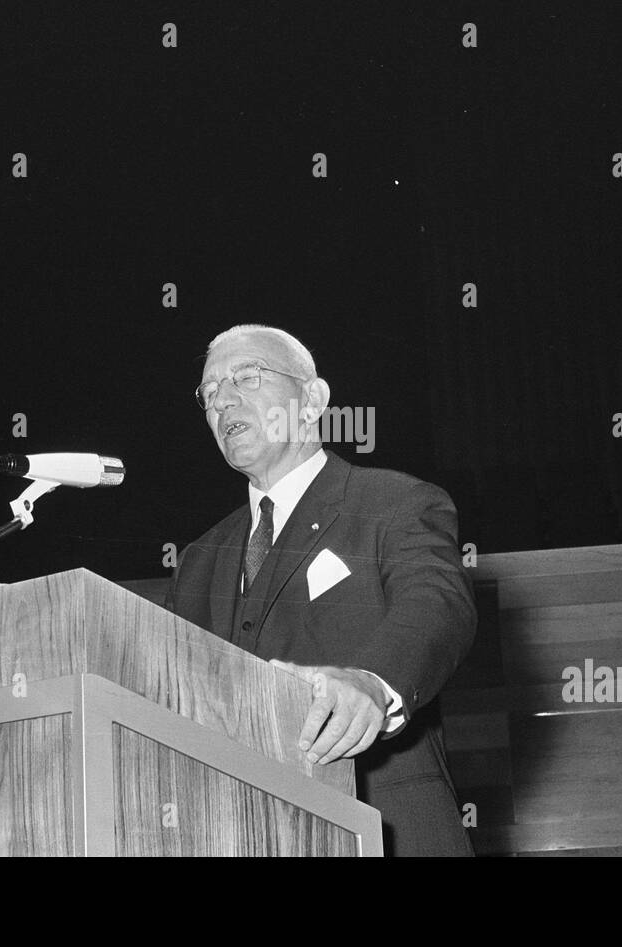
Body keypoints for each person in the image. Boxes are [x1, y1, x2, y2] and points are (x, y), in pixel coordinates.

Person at [165, 323, 476, 856]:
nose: (223, 400)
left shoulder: (393, 502)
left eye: (247, 375)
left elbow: (436, 605)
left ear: (312, 400)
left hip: (384, 826)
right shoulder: (199, 559)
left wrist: (373, 682)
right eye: (210, 392)